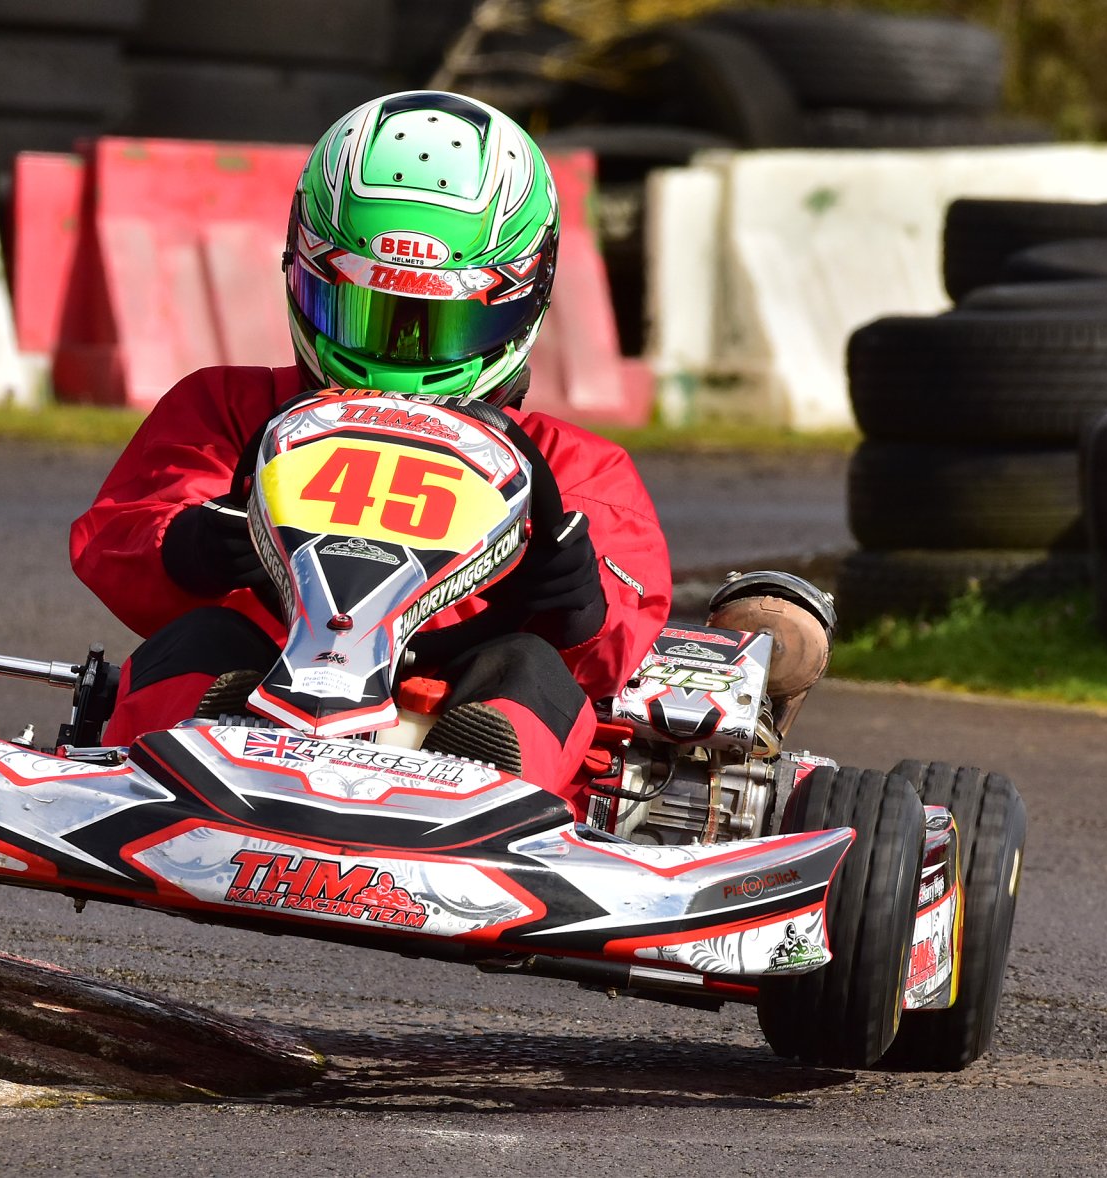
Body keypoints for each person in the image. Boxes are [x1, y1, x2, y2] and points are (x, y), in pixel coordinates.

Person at [69, 91, 671, 813]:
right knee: (205, 635)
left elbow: (621, 641)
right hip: (265, 680)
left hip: (455, 706)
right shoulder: (227, 413)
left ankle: (488, 799)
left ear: (519, 302)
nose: (399, 359)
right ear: (304, 275)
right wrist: (187, 546)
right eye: (363, 313)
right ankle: (179, 768)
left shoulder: (575, 469)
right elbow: (120, 533)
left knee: (533, 668)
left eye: (435, 327)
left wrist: (579, 607)